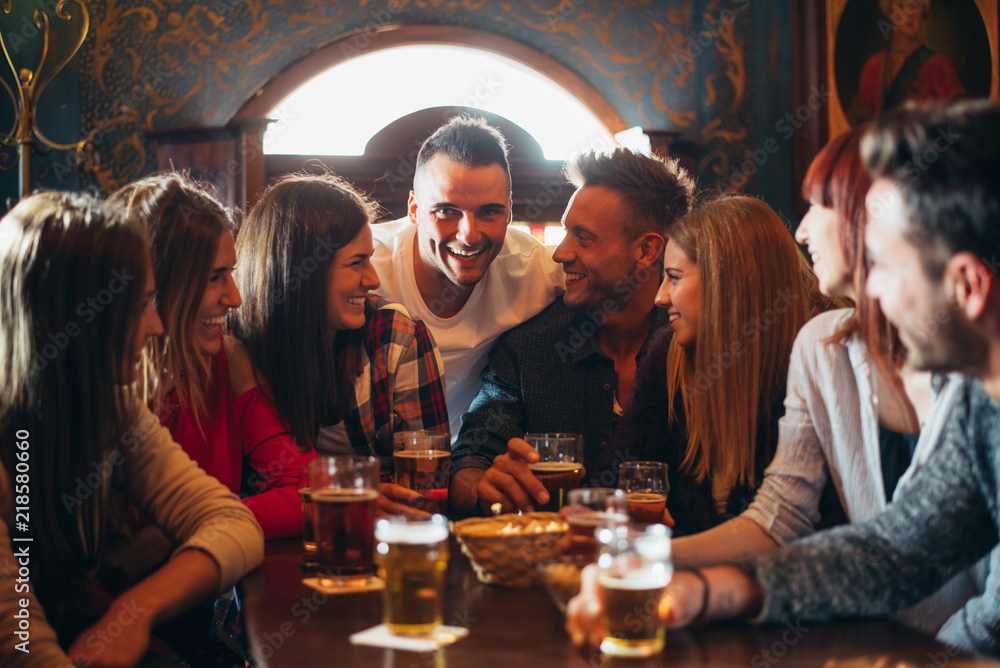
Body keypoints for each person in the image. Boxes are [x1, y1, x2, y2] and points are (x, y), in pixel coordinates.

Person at [567, 101, 1000, 656]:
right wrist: (702, 591)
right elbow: (900, 550)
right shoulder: (978, 393)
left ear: (966, 286)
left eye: (884, 267)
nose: (870, 296)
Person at [0, 192, 263, 666]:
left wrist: (135, 611)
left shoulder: (109, 408)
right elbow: (21, 642)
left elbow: (232, 522)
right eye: (140, 305)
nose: (157, 325)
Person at [449, 147, 695, 517]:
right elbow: (471, 458)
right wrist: (483, 487)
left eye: (584, 237)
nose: (560, 253)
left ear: (647, 250)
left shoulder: (702, 347)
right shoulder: (528, 347)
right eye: (566, 232)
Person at [111, 173, 316, 540]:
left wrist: (184, 529)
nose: (234, 297)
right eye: (214, 277)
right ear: (157, 282)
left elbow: (309, 491)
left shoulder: (230, 361)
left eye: (231, 274)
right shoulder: (94, 384)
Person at [232, 172, 449, 516]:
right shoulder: (232, 346)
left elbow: (429, 491)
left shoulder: (396, 337)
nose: (373, 279)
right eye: (356, 263)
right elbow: (220, 497)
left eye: (370, 258)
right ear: (299, 274)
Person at [605, 195, 820, 536]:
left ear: (728, 283)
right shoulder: (668, 355)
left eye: (673, 277)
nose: (660, 297)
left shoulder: (813, 366)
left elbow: (806, 531)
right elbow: (621, 476)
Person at [370, 115, 564, 439]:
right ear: (414, 209)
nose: (469, 235)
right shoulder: (365, 265)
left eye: (489, 212)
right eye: (446, 211)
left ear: (509, 211)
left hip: (475, 462)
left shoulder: (537, 270)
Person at [851, 0, 966, 123]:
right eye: (902, 6)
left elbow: (962, 115)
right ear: (890, 13)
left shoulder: (938, 65)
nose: (911, 14)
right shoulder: (873, 65)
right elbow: (860, 124)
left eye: (916, 6)